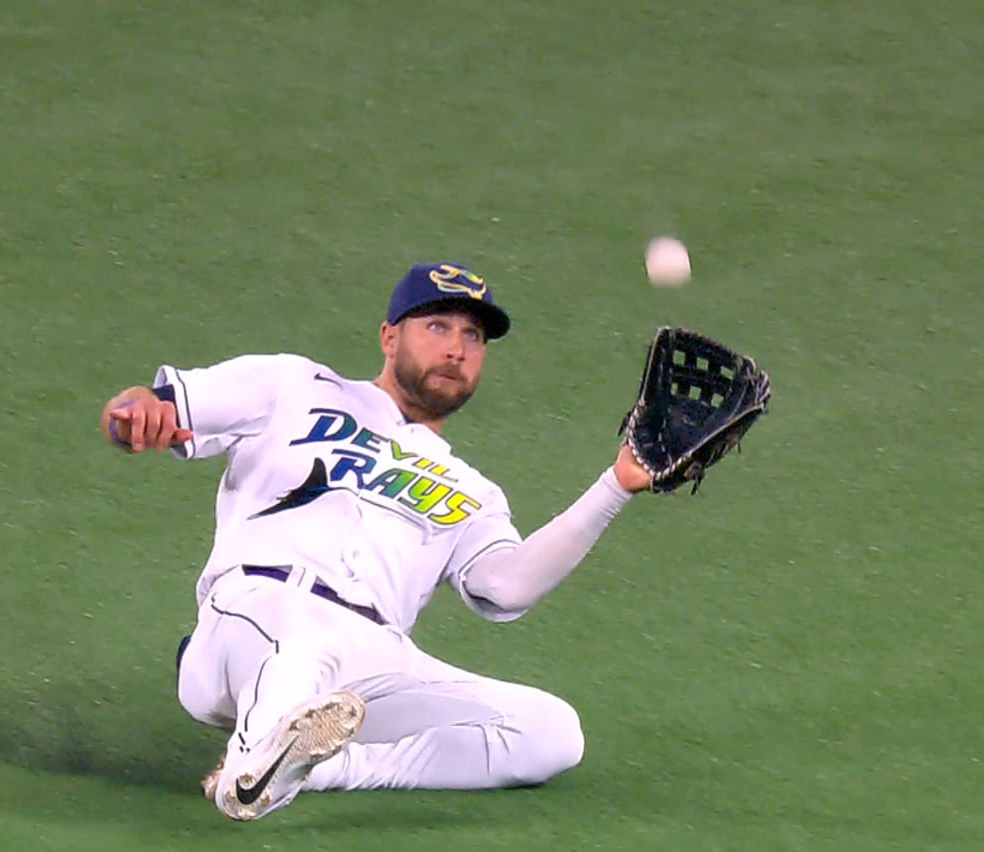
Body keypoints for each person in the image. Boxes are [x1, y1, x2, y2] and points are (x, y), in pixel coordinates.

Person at [99, 261, 654, 822]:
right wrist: (134, 414)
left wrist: (617, 486)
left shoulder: (471, 491)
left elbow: (506, 588)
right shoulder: (294, 387)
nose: (457, 349)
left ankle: (320, 766)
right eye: (438, 326)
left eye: (473, 336)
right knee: (308, 646)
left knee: (551, 732)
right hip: (253, 616)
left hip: (373, 659)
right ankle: (251, 766)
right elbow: (150, 406)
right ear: (389, 336)